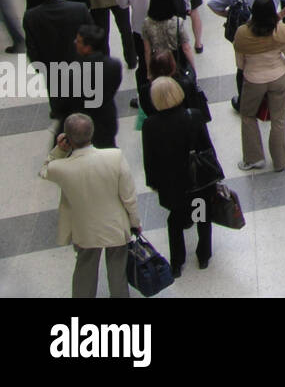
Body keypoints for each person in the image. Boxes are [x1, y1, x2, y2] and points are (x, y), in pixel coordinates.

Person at [37, 113, 142, 299]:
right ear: (92, 132)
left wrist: (59, 150)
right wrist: (135, 222)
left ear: (67, 138)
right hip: (115, 227)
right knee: (118, 273)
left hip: (84, 230)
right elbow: (128, 197)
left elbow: (44, 170)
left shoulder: (61, 168)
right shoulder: (114, 157)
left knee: (85, 270)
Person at [141, 75, 216, 276]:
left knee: (174, 221)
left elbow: (150, 158)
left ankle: (177, 262)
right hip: (196, 180)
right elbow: (207, 147)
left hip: (171, 183)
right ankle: (203, 255)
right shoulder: (194, 116)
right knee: (201, 215)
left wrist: (153, 182)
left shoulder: (149, 125)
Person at [233, 0, 285, 172]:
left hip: (254, 79)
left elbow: (239, 64)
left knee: (247, 116)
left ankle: (254, 158)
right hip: (279, 77)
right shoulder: (281, 30)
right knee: (279, 119)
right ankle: (280, 161)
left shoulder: (242, 33)